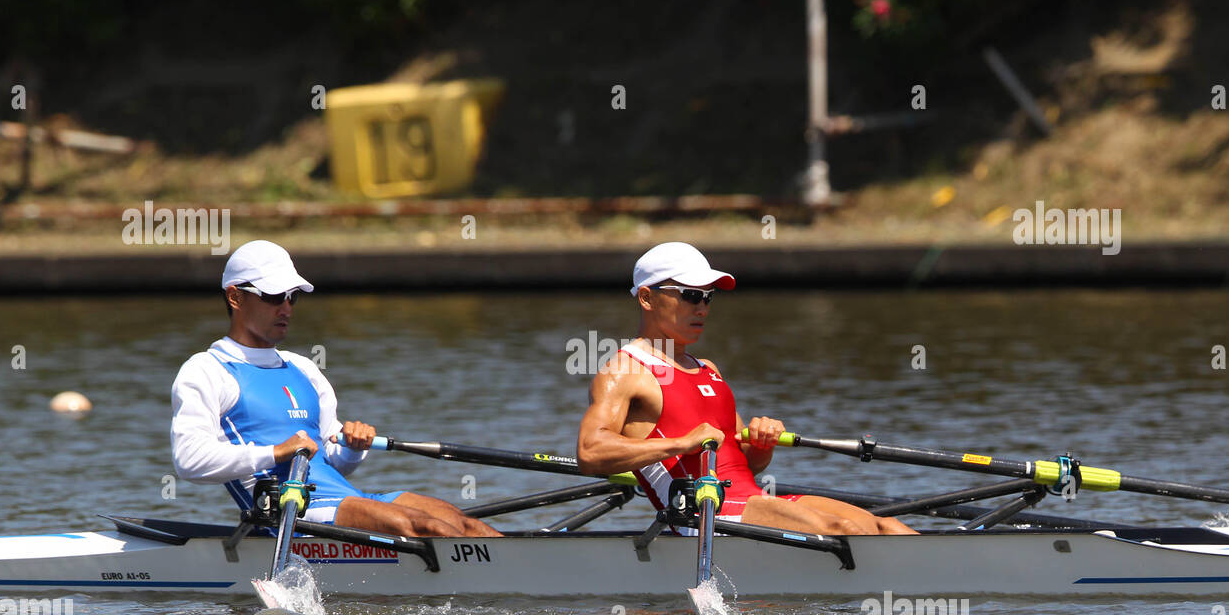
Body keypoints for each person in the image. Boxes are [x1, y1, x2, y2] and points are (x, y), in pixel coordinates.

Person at [576, 241, 915, 536]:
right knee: (845, 530)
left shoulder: (707, 369)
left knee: (886, 527)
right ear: (648, 298)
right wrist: (681, 443)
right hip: (702, 514)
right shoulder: (624, 369)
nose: (702, 308)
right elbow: (590, 452)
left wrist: (762, 443)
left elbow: (744, 464)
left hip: (749, 501)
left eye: (708, 298)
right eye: (691, 295)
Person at [171, 239, 497, 538]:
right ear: (235, 297)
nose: (286, 308)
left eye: (291, 297)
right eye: (272, 297)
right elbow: (189, 460)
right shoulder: (207, 371)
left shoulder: (303, 368)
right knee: (426, 528)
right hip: (291, 513)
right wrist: (276, 452)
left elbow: (333, 460)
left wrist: (354, 446)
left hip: (345, 499)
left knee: (463, 524)